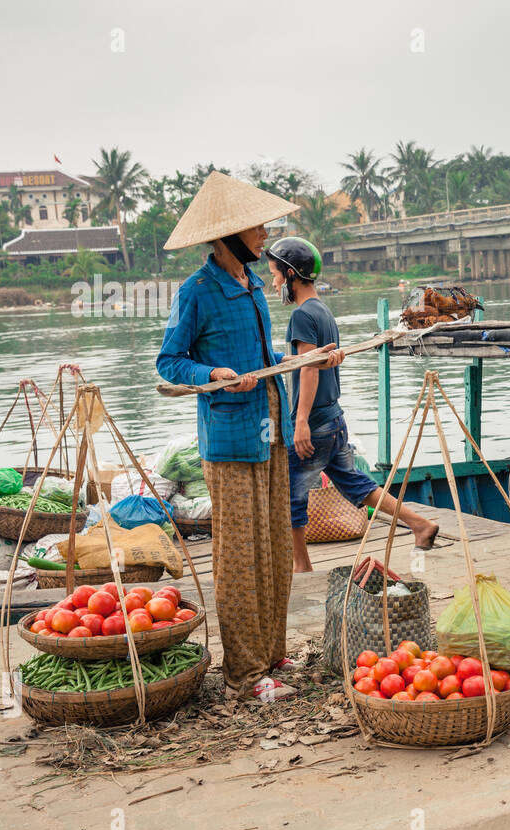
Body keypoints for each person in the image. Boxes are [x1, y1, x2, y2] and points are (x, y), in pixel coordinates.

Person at [156, 172, 345, 703]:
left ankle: (271, 652)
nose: (265, 234)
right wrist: (213, 375)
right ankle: (244, 674)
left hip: (272, 432)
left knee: (273, 548)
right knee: (239, 554)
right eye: (256, 227)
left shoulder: (254, 286)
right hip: (231, 438)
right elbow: (170, 361)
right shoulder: (198, 292)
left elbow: (265, 362)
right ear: (227, 237)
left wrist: (306, 359)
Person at [264, 237, 439, 574]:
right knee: (358, 485)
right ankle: (419, 523)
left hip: (314, 422)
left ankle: (301, 567)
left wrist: (300, 421)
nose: (274, 284)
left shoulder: (301, 315)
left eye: (275, 275)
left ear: (290, 275)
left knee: (291, 495)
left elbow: (310, 366)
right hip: (334, 418)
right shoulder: (322, 310)